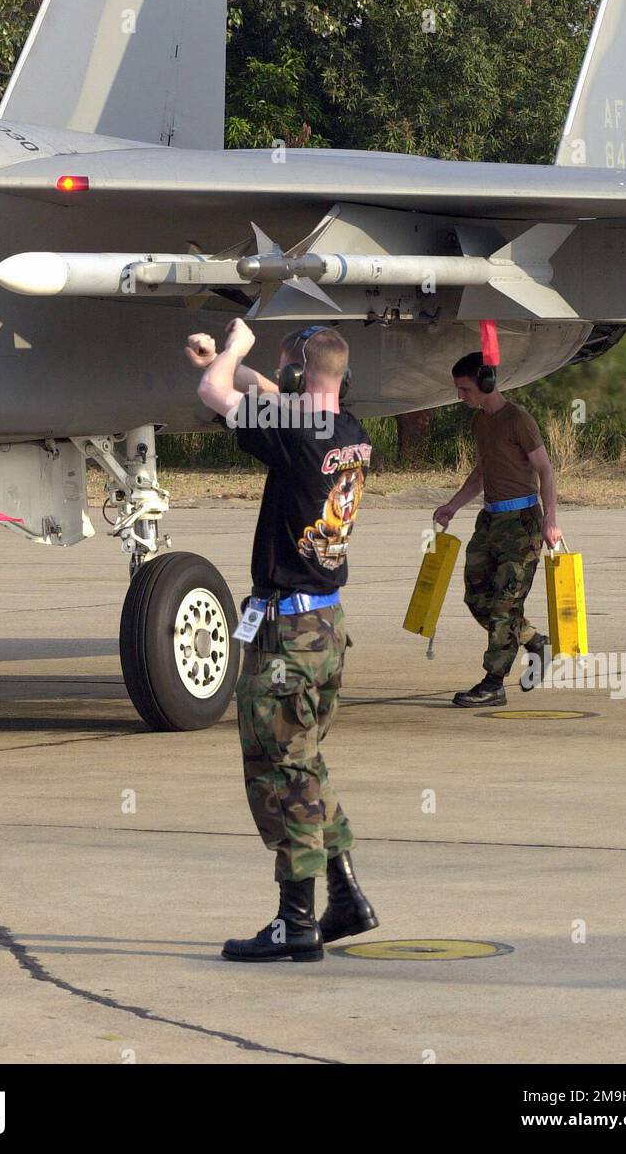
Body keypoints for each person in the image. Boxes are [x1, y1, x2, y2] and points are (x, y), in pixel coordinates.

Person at [185, 318, 377, 962]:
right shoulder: (344, 432)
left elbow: (217, 395)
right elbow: (265, 390)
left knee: (280, 773)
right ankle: (344, 895)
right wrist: (228, 360)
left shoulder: (296, 435)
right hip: (326, 625)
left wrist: (232, 351)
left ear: (301, 377)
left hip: (286, 635)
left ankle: (295, 922)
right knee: (308, 764)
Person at [433, 351, 563, 708]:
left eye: (465, 389)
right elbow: (481, 473)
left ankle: (493, 683)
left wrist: (550, 520)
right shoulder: (481, 423)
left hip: (522, 524)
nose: (461, 396)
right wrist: (453, 505)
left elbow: (546, 471)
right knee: (478, 598)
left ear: (486, 383)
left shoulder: (517, 420)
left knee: (506, 604)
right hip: (490, 521)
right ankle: (536, 641)